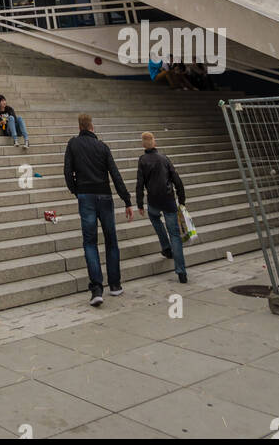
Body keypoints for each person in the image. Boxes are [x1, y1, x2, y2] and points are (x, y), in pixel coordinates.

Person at [64, 113, 133, 306]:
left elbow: (68, 172)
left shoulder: (73, 144)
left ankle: (96, 289)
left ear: (80, 127)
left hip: (86, 195)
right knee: (111, 240)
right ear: (92, 127)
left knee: (90, 242)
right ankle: (115, 285)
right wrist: (127, 200)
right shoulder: (103, 147)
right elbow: (115, 174)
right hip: (105, 195)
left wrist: (76, 191)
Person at [136, 131, 188, 284]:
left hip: (153, 200)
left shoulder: (142, 160)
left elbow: (140, 183)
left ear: (143, 145)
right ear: (155, 143)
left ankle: (165, 247)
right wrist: (182, 199)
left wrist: (140, 203)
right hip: (168, 200)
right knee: (175, 235)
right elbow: (176, 179)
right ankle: (181, 272)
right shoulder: (164, 159)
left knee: (154, 216)